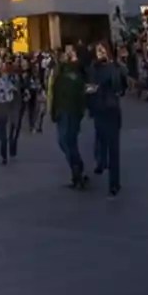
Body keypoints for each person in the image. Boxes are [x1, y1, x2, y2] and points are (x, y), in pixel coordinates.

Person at [50, 45, 89, 189]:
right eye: (66, 51)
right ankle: (76, 168)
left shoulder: (78, 70)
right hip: (61, 111)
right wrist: (53, 110)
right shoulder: (60, 70)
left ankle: (77, 171)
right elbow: (54, 91)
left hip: (72, 111)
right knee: (63, 141)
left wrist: (81, 111)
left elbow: (83, 91)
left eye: (70, 51)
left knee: (69, 140)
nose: (67, 54)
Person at [88, 45, 124, 197]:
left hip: (108, 110)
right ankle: (109, 176)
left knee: (111, 146)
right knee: (107, 143)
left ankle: (113, 182)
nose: (100, 53)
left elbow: (119, 87)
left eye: (102, 50)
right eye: (98, 51)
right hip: (104, 109)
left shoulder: (106, 68)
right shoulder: (99, 69)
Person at [0, 60, 21, 164]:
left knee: (3, 131)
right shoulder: (10, 83)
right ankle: (6, 150)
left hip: (1, 108)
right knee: (7, 130)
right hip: (7, 108)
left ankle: (4, 153)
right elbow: (16, 94)